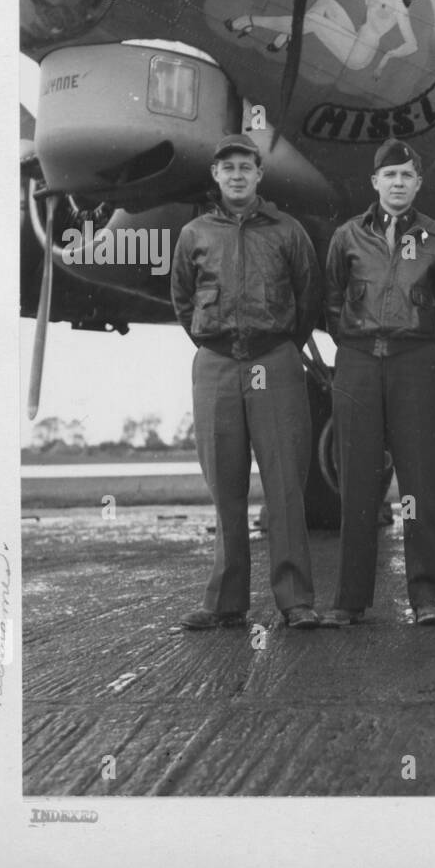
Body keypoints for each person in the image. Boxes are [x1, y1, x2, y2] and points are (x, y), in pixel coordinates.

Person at [170, 133, 323, 631]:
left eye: (246, 167)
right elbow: (181, 299)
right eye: (227, 167)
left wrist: (278, 346)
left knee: (285, 484)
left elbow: (308, 298)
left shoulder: (288, 230)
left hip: (274, 358)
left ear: (259, 175)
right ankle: (225, 601)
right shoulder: (194, 234)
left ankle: (296, 599)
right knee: (225, 484)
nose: (237, 175)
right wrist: (218, 345)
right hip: (216, 362)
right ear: (215, 175)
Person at [324, 138, 435, 626]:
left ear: (418, 183)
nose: (398, 183)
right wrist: (359, 343)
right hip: (358, 359)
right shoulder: (347, 237)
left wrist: (416, 342)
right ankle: (349, 600)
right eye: (390, 175)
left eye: (407, 175)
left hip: (414, 361)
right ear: (375, 182)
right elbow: (332, 299)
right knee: (357, 480)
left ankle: (426, 598)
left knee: (419, 480)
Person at [226, 0, 418, 77]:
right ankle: (287, 35)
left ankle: (249, 21)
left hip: (358, 55)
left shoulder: (400, 8)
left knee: (315, 22)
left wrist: (387, 57)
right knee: (325, 1)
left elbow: (412, 45)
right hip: (354, 38)